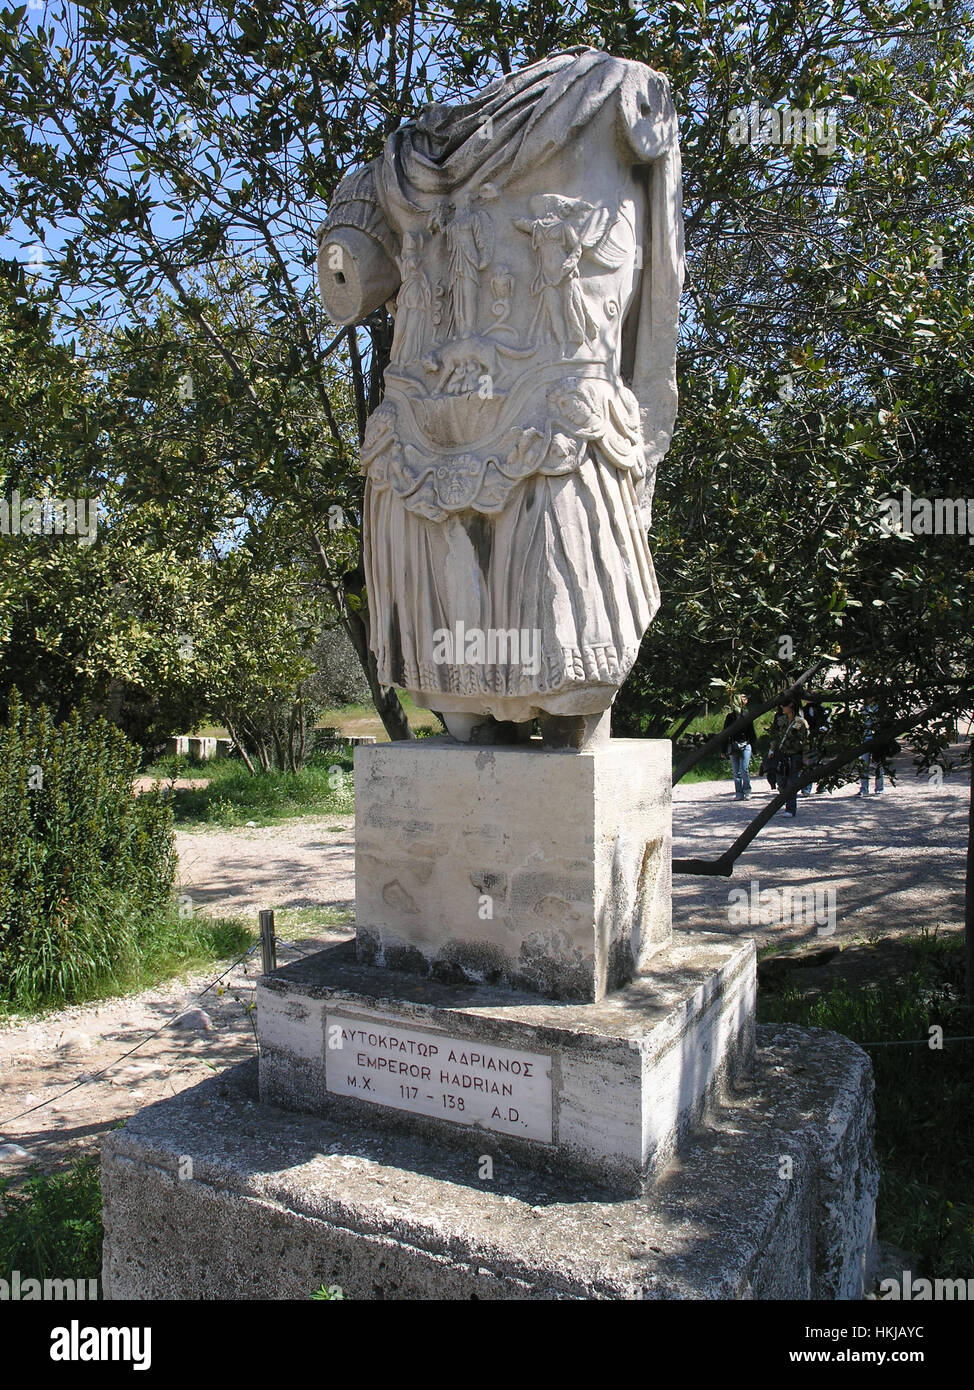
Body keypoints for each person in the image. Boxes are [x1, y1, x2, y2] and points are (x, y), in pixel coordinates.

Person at [770, 698, 810, 817]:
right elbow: (775, 736)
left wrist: (805, 757)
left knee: (791, 782)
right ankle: (785, 801)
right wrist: (772, 749)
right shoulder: (780, 720)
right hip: (782, 754)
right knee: (781, 781)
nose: (782, 707)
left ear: (791, 706)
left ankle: (790, 809)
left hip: (795, 755)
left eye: (784, 705)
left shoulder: (801, 722)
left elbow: (806, 740)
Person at [723, 696, 755, 800]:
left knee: (744, 768)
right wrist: (723, 750)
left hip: (745, 744)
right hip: (733, 745)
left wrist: (755, 748)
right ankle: (739, 792)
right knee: (736, 771)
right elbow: (725, 733)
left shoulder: (746, 715)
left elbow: (752, 733)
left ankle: (747, 790)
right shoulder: (730, 717)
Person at [800, 697, 830, 795]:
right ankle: (806, 788)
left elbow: (827, 724)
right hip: (808, 739)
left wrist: (821, 731)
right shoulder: (803, 710)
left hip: (820, 738)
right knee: (808, 763)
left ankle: (822, 786)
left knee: (819, 762)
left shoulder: (823, 710)